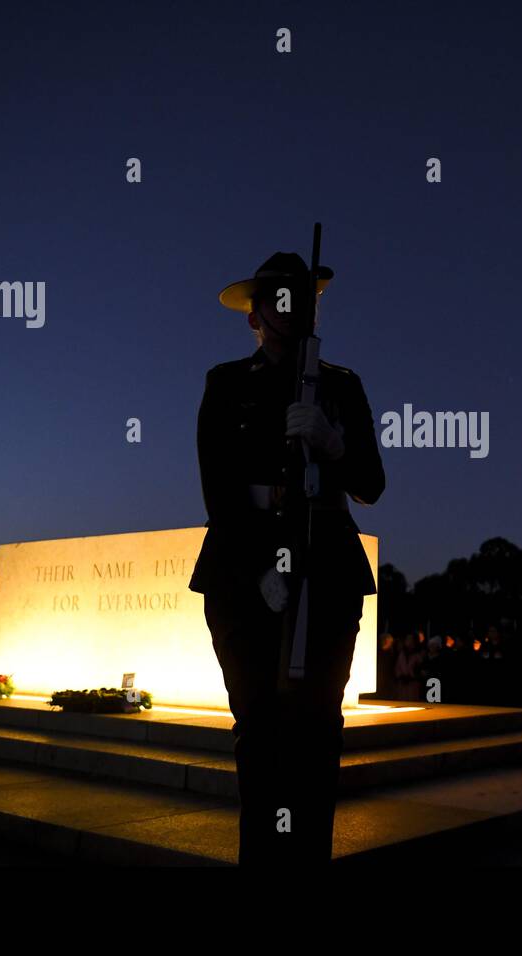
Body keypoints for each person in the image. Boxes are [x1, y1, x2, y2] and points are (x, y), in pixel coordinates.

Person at [188, 247, 385, 866]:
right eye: (276, 300)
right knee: (260, 734)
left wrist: (334, 444)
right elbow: (217, 488)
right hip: (245, 579)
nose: (289, 309)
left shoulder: (343, 386)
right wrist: (259, 566)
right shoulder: (226, 384)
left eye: (301, 298)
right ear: (254, 318)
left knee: (318, 735)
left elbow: (371, 485)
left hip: (326, 570)